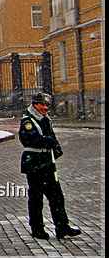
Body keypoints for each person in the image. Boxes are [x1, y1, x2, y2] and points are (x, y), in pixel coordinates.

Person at [18, 92, 82, 240]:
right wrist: (48, 142)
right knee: (36, 198)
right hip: (34, 162)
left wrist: (56, 147)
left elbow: (52, 137)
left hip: (47, 162)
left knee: (57, 196)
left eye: (47, 105)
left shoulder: (45, 119)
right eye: (43, 104)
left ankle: (62, 227)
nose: (46, 107)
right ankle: (37, 229)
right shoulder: (28, 121)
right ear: (35, 104)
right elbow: (30, 139)